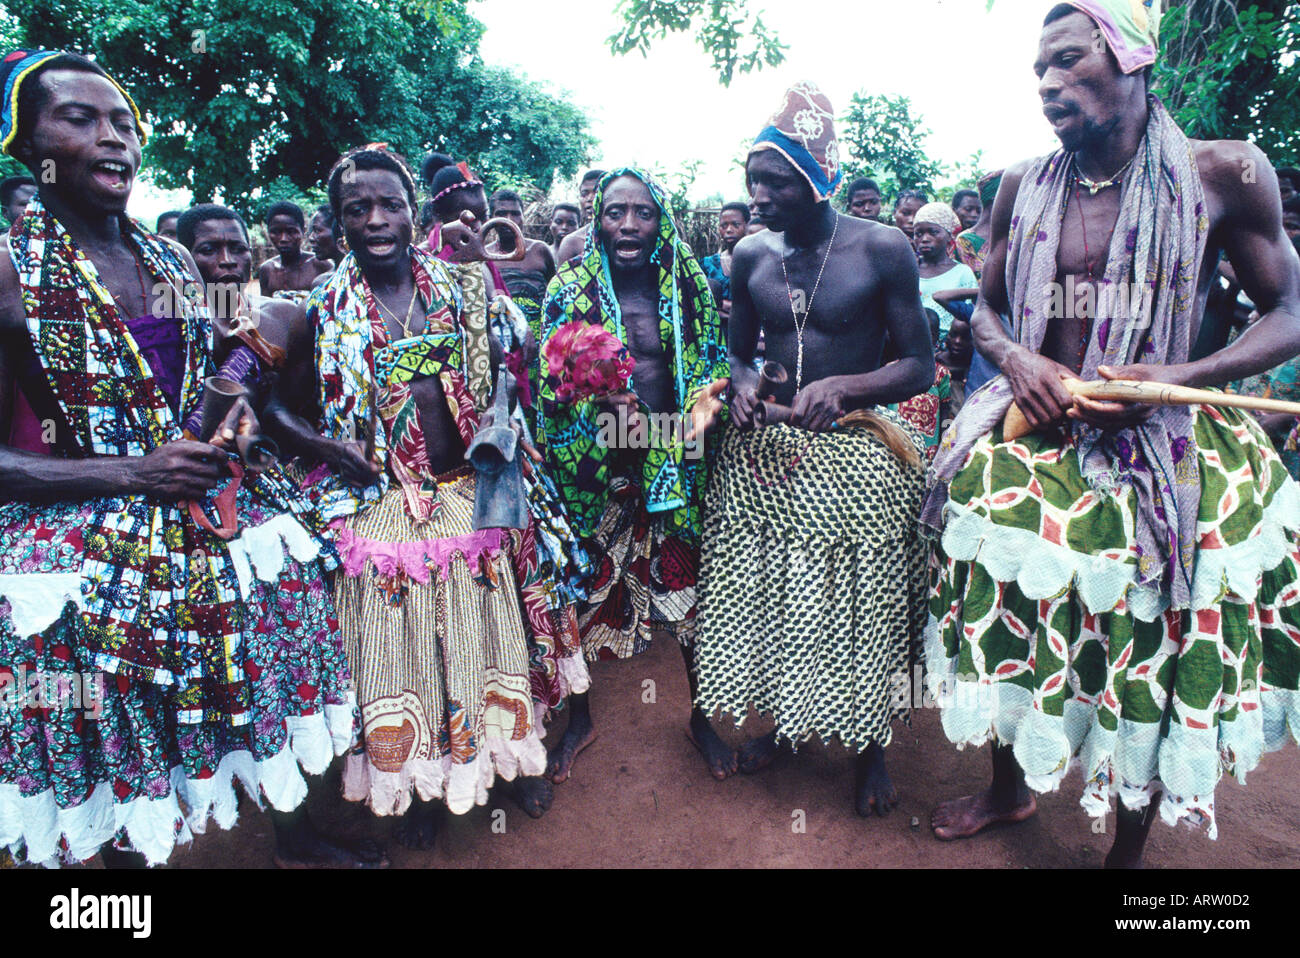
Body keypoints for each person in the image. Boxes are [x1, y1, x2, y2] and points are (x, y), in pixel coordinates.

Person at [923, 1, 1300, 868]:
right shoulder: (1021, 183)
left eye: (1067, 60)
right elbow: (983, 310)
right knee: (1006, 608)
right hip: (1039, 434)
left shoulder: (1224, 173)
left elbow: (1288, 312)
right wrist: (1020, 360)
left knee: (1149, 643)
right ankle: (1010, 789)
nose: (1049, 84)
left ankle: (1124, 859)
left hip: (1165, 444)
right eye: (1038, 72)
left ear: (1131, 54)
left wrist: (1186, 376)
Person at [0, 49, 363, 868]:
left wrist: (230, 421)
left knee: (284, 643)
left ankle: (295, 839)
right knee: (116, 715)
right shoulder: (8, 274)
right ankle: (124, 884)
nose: (113, 140)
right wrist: (134, 473)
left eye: (124, 123)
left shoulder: (166, 263)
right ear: (28, 142)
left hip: (204, 497)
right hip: (86, 517)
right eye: (80, 120)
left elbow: (208, 387)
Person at [265, 146, 558, 846]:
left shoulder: (462, 289)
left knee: (494, 634)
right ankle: (425, 789)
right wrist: (328, 449)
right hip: (382, 505)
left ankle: (508, 764)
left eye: (388, 203)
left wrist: (498, 410)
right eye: (356, 208)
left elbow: (509, 367)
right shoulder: (318, 310)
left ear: (413, 210)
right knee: (408, 651)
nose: (375, 218)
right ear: (336, 224)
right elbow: (272, 406)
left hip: (474, 491)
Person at [694, 83, 933, 816]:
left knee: (856, 599)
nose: (758, 197)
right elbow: (739, 355)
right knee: (776, 592)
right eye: (751, 181)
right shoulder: (749, 255)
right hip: (769, 449)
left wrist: (852, 386)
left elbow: (919, 365)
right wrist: (739, 387)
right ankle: (791, 724)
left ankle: (870, 749)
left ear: (818, 178)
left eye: (775, 183)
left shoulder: (882, 247)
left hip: (856, 450)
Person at [537, 167, 732, 783]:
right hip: (599, 467)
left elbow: (712, 361)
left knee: (689, 593)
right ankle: (582, 718)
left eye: (642, 213)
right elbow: (547, 382)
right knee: (583, 590)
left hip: (674, 460)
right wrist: (594, 406)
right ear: (598, 219)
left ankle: (702, 718)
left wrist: (694, 417)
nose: (628, 224)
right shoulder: (570, 286)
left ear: (660, 219)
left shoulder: (689, 282)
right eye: (615, 212)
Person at [488, 187, 556, 330]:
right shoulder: (485, 256)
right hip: (504, 336)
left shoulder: (540, 250)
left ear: (523, 217)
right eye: (501, 214)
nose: (509, 220)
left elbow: (554, 292)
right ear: (491, 218)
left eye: (515, 214)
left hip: (542, 334)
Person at [914, 201, 978, 337]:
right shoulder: (910, 271)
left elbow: (970, 315)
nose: (924, 239)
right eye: (918, 234)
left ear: (949, 236)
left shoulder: (962, 273)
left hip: (952, 347)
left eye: (933, 232)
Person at [256, 200, 333, 299]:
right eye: (276, 232)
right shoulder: (267, 270)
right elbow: (265, 308)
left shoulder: (321, 265)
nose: (283, 239)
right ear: (268, 232)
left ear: (303, 231)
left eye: (291, 231)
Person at [699, 201, 749, 319]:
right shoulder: (707, 265)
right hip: (715, 332)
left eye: (735, 224)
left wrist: (722, 306)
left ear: (747, 225)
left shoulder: (757, 262)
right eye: (724, 225)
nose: (729, 230)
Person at [554, 169, 609, 264]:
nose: (590, 199)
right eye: (584, 194)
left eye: (597, 192)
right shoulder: (572, 243)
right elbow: (562, 278)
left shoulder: (627, 236)